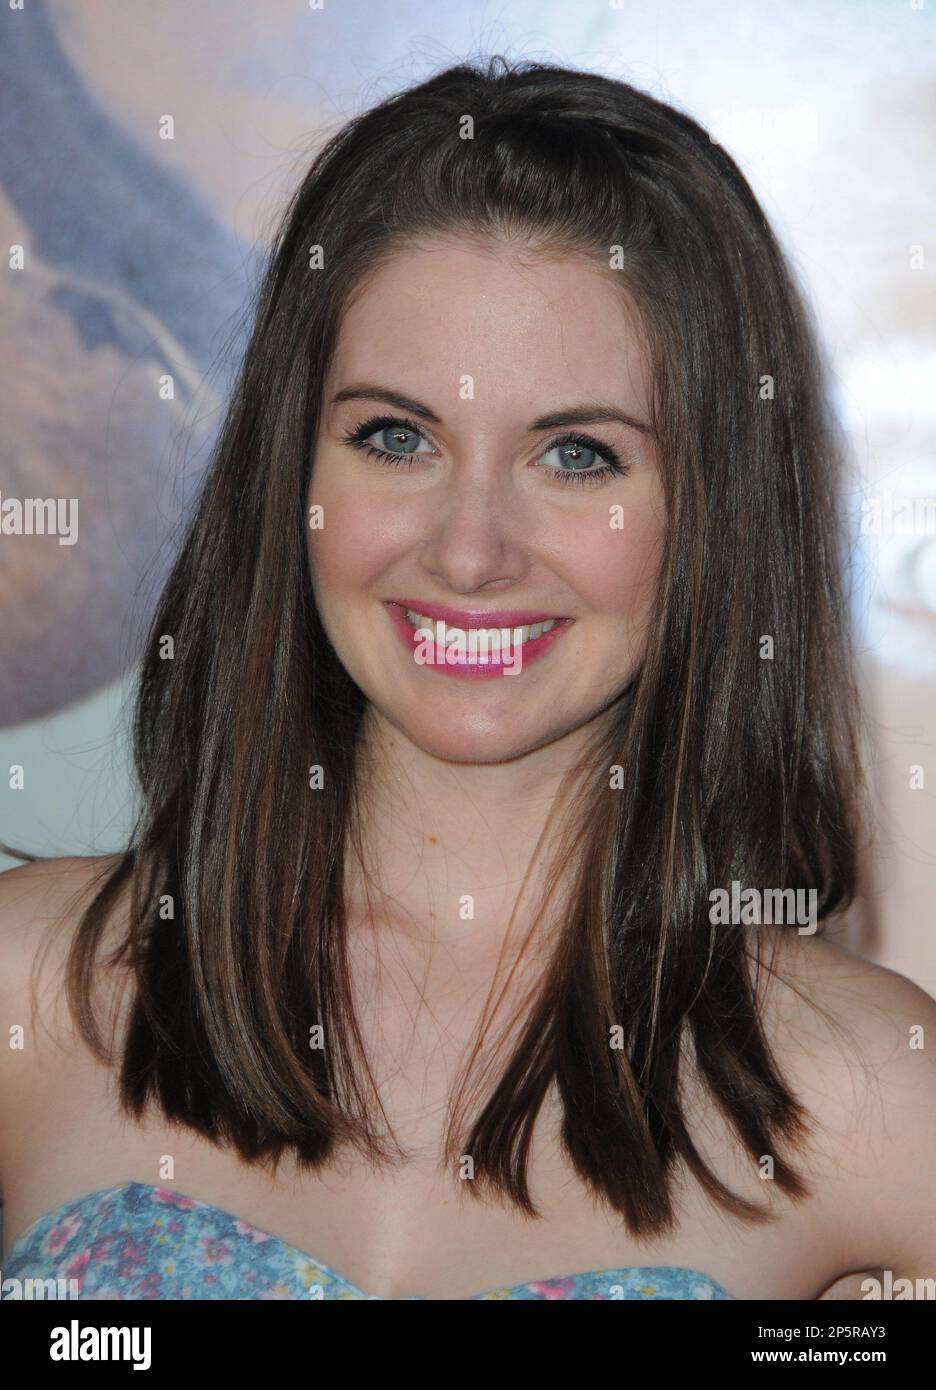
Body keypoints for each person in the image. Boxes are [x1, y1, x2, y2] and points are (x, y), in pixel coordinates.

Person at [1, 55, 934, 1302]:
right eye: (397, 436)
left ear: (713, 511)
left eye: (578, 453)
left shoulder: (871, 1098)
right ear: (296, 477)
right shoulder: (33, 987)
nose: (470, 549)